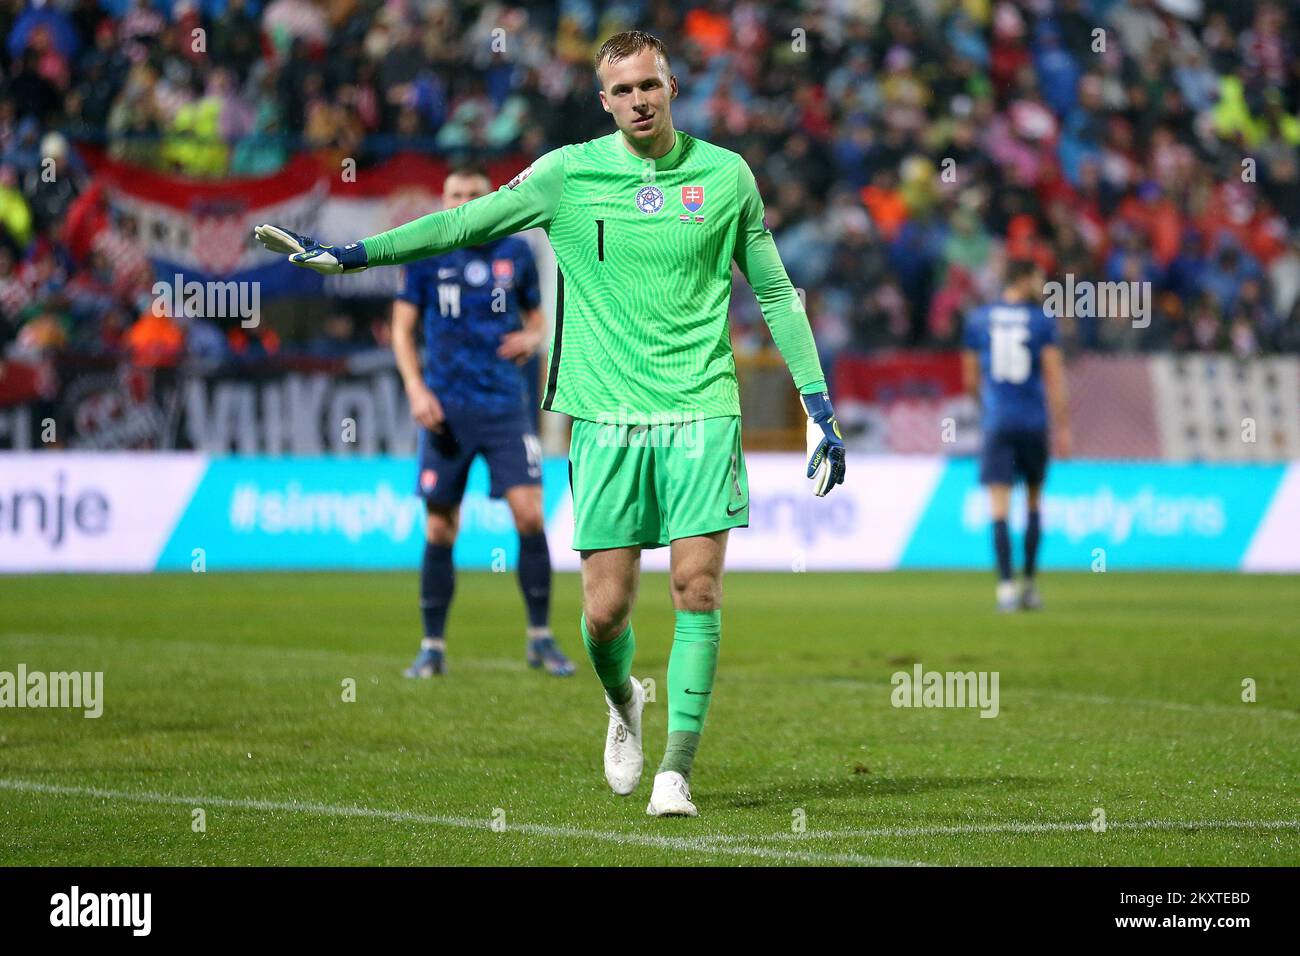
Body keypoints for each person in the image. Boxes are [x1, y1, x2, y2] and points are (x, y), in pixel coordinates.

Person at [254, 30, 846, 818]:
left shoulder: (727, 176)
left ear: (672, 87)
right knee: (604, 613)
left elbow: (775, 293)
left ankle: (677, 770)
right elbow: (462, 226)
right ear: (604, 101)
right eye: (623, 91)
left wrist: (818, 405)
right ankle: (623, 703)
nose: (639, 101)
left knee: (696, 588)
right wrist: (349, 256)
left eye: (650, 86)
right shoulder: (568, 173)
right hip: (603, 419)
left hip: (701, 407)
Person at [391, 164, 573, 678]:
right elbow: (402, 329)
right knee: (441, 524)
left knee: (530, 514)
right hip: (445, 408)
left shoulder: (515, 251)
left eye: (475, 194)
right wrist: (416, 387)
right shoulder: (426, 251)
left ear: (491, 199)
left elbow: (537, 318)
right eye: (456, 194)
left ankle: (540, 638)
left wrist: (534, 337)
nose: (466, 202)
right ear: (443, 199)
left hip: (504, 406)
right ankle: (432, 647)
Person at [962, 259, 1071, 612]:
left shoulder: (978, 319)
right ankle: (1030, 586)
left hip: (998, 422)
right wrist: (1063, 427)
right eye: (1037, 277)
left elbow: (969, 379)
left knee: (999, 506)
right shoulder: (1041, 321)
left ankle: (1005, 588)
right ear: (1022, 279)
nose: (1042, 283)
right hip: (1033, 422)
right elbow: (1054, 378)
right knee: (1034, 501)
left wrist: (988, 410)